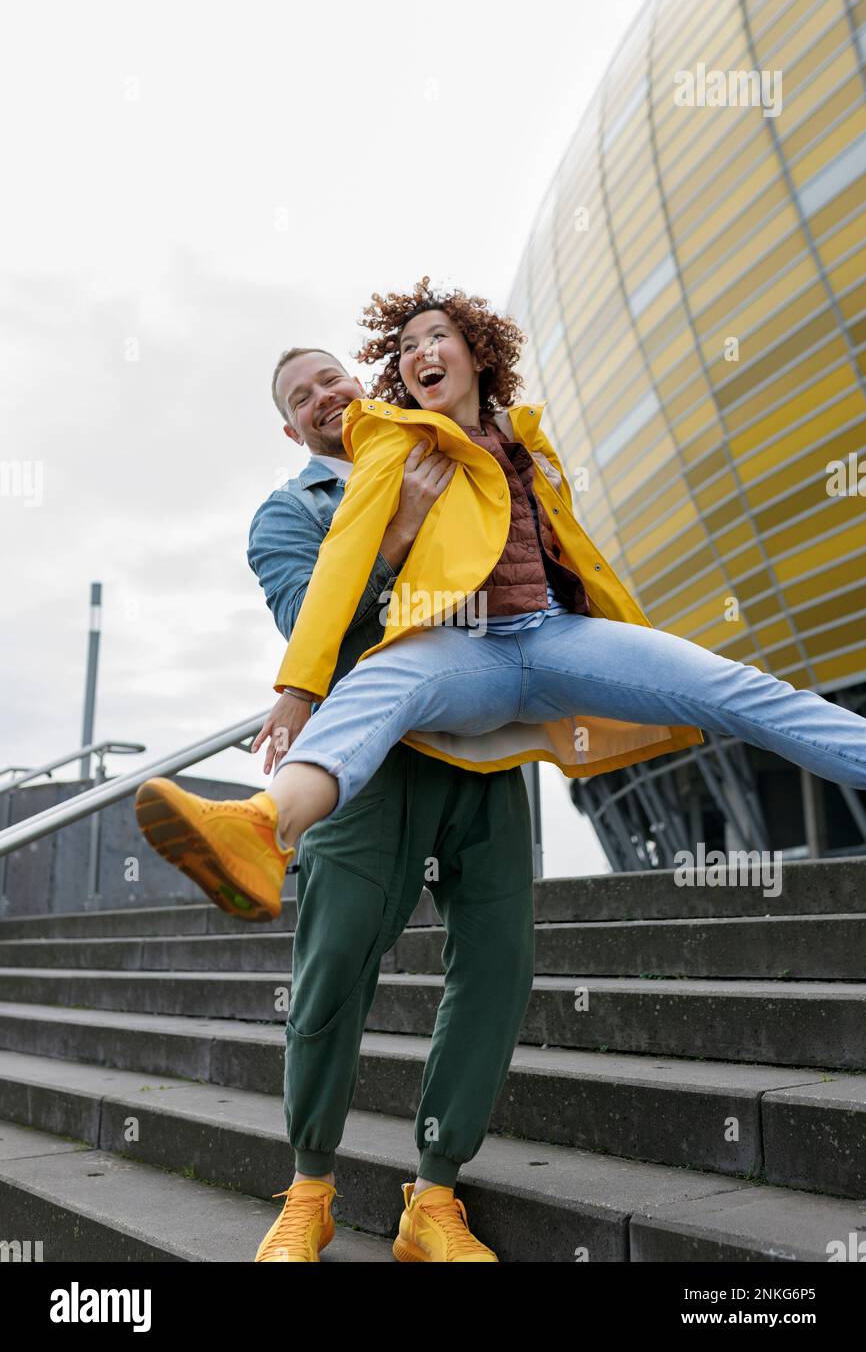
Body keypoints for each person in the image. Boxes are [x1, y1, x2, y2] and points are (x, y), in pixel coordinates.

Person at [136, 276, 866, 894]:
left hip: (557, 639)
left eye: (435, 337)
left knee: (735, 688)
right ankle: (263, 831)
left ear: (476, 352)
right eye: (406, 348)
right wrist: (297, 692)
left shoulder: (526, 439)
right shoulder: (390, 443)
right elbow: (338, 570)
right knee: (375, 688)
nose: (420, 352)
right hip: (462, 650)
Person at [166, 343, 536, 1263]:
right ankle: (309, 1191)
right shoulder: (286, 515)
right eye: (302, 396)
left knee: (496, 970)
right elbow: (312, 632)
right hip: (363, 762)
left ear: (358, 386)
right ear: (289, 427)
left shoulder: (443, 453)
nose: (325, 396)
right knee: (333, 971)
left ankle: (434, 1198)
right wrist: (400, 534)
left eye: (332, 378)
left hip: (481, 752)